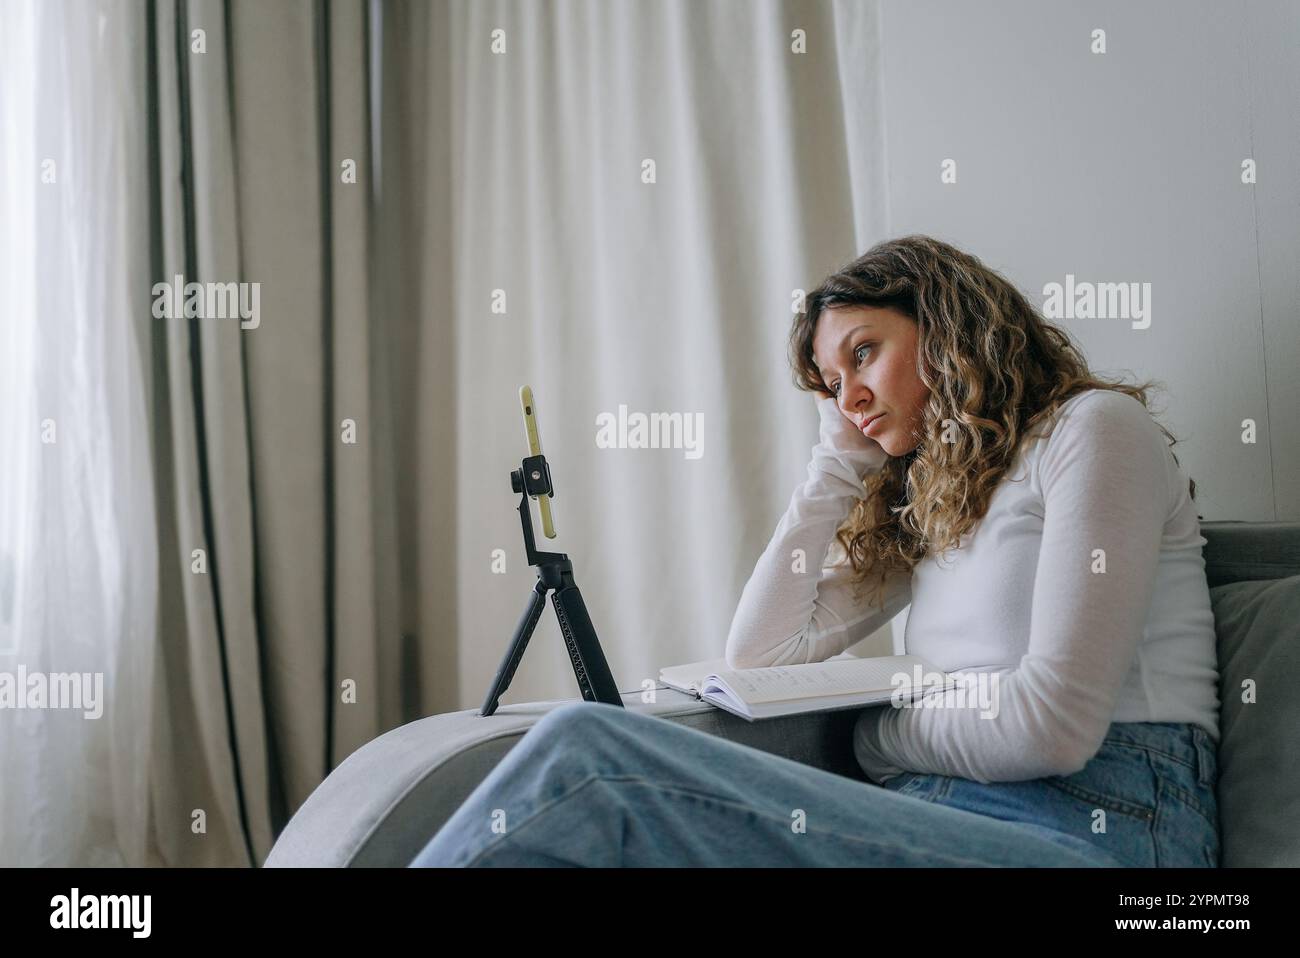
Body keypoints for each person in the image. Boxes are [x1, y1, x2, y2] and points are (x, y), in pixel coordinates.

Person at [410, 235, 1221, 868]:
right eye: (832, 386)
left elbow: (1053, 729)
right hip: (936, 814)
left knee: (588, 757)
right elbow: (761, 656)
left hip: (1104, 827)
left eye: (864, 353)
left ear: (946, 322)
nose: (850, 396)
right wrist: (835, 463)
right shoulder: (943, 497)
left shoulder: (1093, 433)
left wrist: (870, 737)